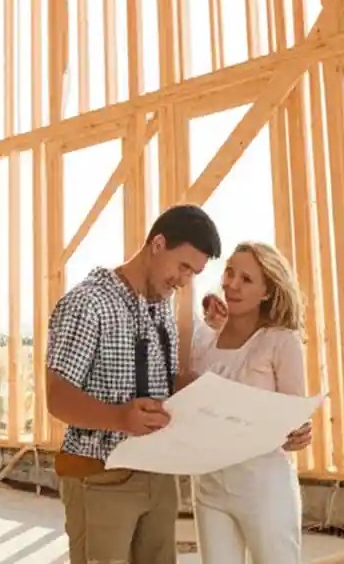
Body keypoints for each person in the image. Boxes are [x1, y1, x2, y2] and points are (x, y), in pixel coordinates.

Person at [45, 204, 222, 564]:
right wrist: (119, 418)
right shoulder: (87, 303)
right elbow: (57, 397)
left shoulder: (161, 308)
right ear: (157, 244)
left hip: (159, 473)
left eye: (195, 272)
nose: (184, 280)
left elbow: (165, 382)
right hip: (101, 477)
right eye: (183, 266)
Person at [191, 241, 314, 564]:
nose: (232, 284)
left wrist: (301, 431)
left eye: (246, 279)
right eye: (229, 273)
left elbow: (294, 419)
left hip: (265, 489)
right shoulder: (203, 339)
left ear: (267, 292)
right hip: (209, 486)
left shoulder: (281, 342)